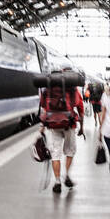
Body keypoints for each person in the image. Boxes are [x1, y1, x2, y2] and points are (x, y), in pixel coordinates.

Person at [39, 65, 84, 194]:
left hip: (52, 124)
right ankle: (67, 175)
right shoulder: (71, 88)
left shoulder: (47, 89)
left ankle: (57, 181)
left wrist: (42, 127)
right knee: (70, 151)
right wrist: (82, 126)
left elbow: (44, 107)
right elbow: (79, 106)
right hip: (69, 124)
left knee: (55, 154)